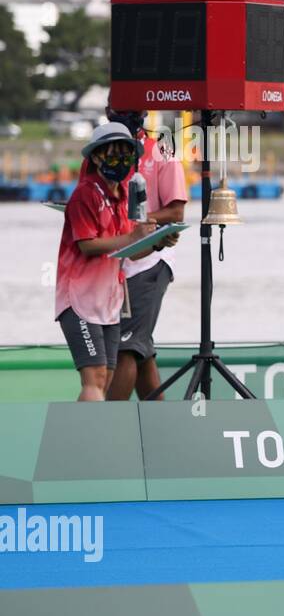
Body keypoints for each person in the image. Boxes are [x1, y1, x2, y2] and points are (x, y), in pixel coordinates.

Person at [55, 121, 157, 401]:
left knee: (106, 379)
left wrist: (155, 243)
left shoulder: (121, 197)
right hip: (79, 301)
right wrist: (134, 236)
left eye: (127, 155)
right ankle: (89, 442)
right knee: (95, 377)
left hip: (109, 302)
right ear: (97, 157)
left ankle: (82, 439)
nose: (122, 161)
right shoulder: (85, 194)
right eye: (114, 154)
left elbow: (128, 251)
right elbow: (88, 246)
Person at [105, 109, 186, 401]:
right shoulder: (104, 153)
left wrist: (131, 218)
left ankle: (107, 428)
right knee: (141, 349)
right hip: (115, 262)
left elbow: (177, 211)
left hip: (151, 261)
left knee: (126, 347)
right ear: (106, 111)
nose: (122, 114)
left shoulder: (162, 150)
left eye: (130, 108)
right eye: (115, 108)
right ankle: (164, 429)